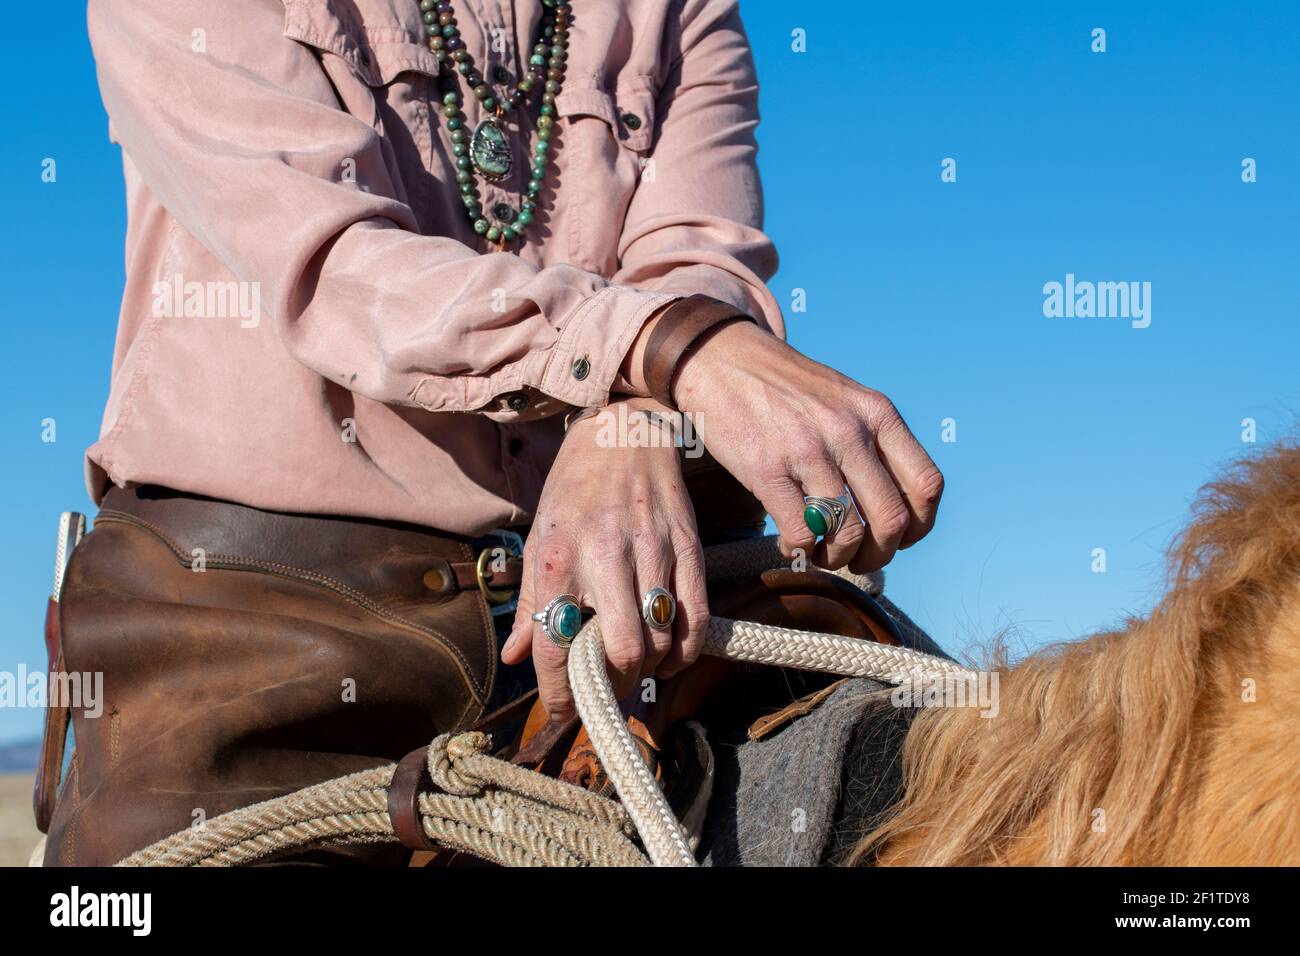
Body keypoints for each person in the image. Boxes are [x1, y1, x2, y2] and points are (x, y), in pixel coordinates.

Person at [40, 0, 942, 865]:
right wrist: (662, 350)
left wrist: (629, 419)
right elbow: (335, 263)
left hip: (629, 615)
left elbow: (699, 258)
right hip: (263, 638)